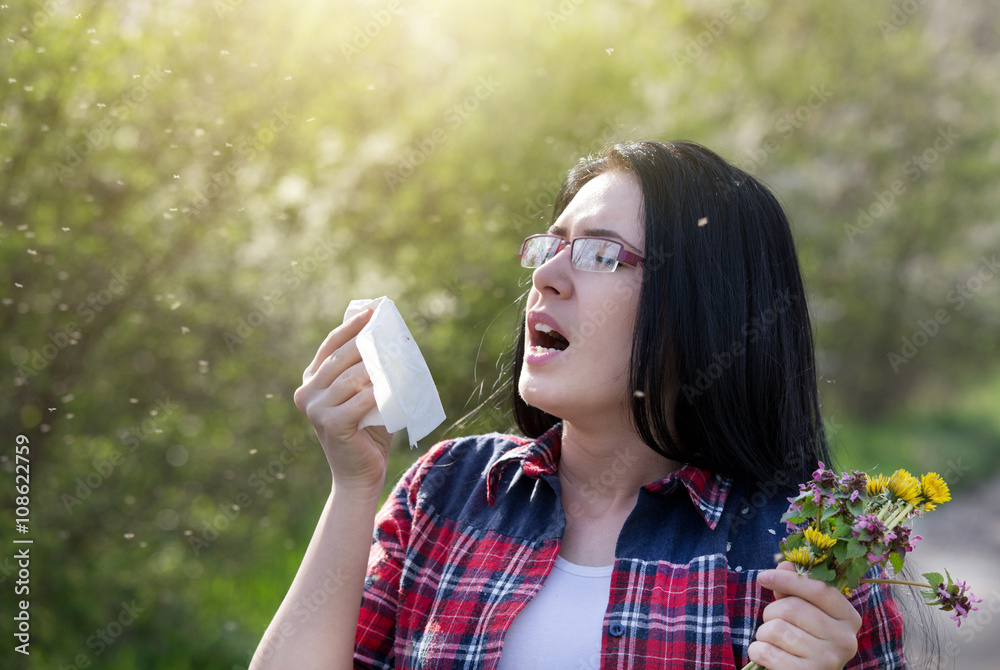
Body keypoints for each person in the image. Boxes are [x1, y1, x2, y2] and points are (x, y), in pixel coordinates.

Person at [250, 141, 906, 669]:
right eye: (549, 245)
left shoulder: (809, 552)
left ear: (707, 304)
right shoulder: (447, 492)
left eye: (599, 253)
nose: (545, 276)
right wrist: (353, 484)